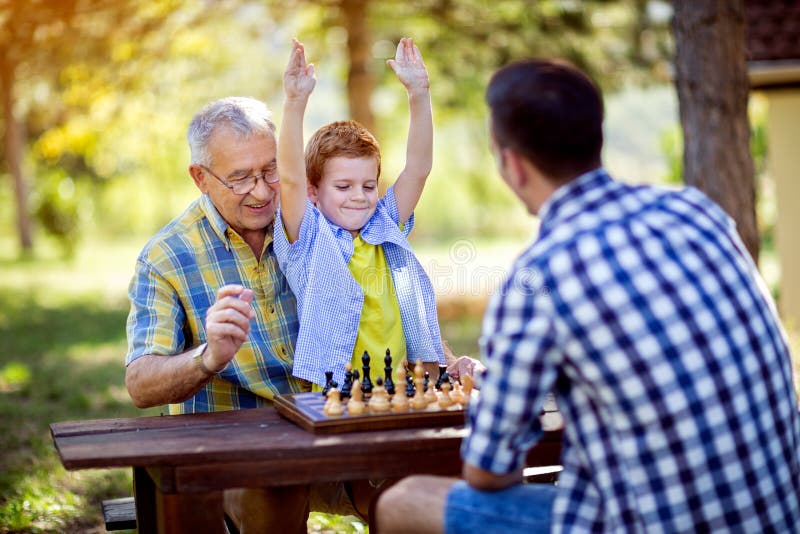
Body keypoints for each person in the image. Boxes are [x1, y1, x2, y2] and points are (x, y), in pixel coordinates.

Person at [375, 59, 800, 533]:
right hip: (778, 514)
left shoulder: (540, 275)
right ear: (595, 136)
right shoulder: (695, 211)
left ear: (513, 165)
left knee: (403, 503)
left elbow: (489, 472)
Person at [124, 96, 365, 532]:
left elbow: (391, 297)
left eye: (271, 170)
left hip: (332, 432)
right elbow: (140, 384)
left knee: (405, 485)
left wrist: (445, 358)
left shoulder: (315, 223)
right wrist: (209, 357)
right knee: (274, 489)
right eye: (240, 178)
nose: (261, 191)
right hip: (240, 455)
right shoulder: (166, 257)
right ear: (200, 177)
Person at [275, 37, 445, 388]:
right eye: (343, 186)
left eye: (369, 186)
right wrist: (294, 101)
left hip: (400, 388)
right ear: (313, 191)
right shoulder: (308, 237)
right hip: (339, 394)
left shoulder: (385, 222)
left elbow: (418, 169)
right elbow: (289, 179)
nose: (359, 197)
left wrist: (418, 93)